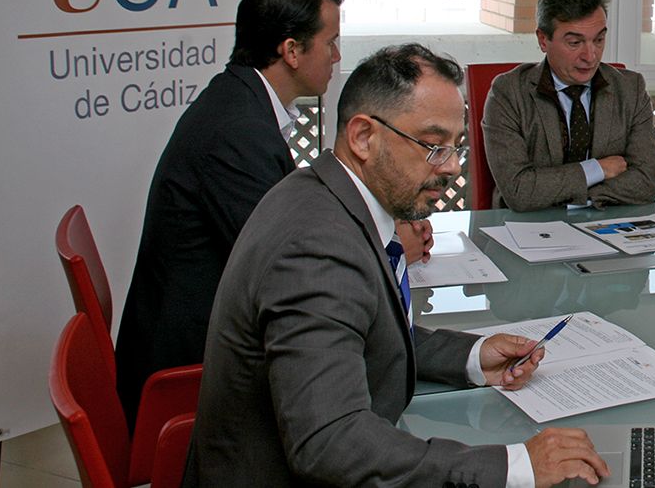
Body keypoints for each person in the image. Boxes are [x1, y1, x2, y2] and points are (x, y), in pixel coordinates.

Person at [182, 44, 609, 488]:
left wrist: (471, 357)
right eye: (434, 146)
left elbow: (362, 329)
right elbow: (332, 442)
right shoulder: (317, 249)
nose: (453, 167)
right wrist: (512, 466)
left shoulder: (323, 196)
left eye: (456, 146)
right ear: (363, 137)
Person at [114, 0, 353, 426]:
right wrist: (377, 245)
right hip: (188, 373)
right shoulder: (238, 130)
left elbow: (292, 221)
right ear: (291, 50)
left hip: (195, 336)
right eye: (331, 43)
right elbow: (287, 265)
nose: (337, 56)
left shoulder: (239, 99)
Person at [482, 0, 655, 211]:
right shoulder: (509, 93)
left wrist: (562, 193)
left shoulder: (630, 89)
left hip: (604, 222)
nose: (590, 56)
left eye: (599, 40)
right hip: (528, 227)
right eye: (575, 43)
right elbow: (519, 192)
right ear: (543, 40)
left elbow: (647, 182)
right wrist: (598, 170)